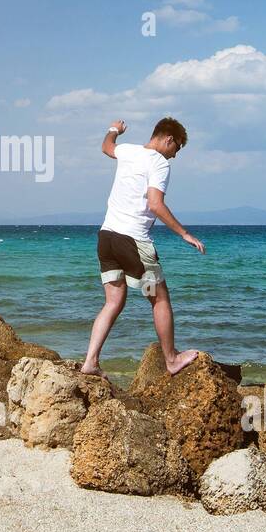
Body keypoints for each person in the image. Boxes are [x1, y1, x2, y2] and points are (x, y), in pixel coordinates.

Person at [82, 116, 206, 378]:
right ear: (168, 139)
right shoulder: (159, 162)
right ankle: (171, 359)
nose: (175, 155)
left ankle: (90, 362)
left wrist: (114, 129)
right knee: (158, 297)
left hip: (107, 239)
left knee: (113, 301)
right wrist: (184, 233)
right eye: (177, 148)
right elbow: (155, 204)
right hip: (133, 242)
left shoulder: (128, 151)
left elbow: (107, 146)